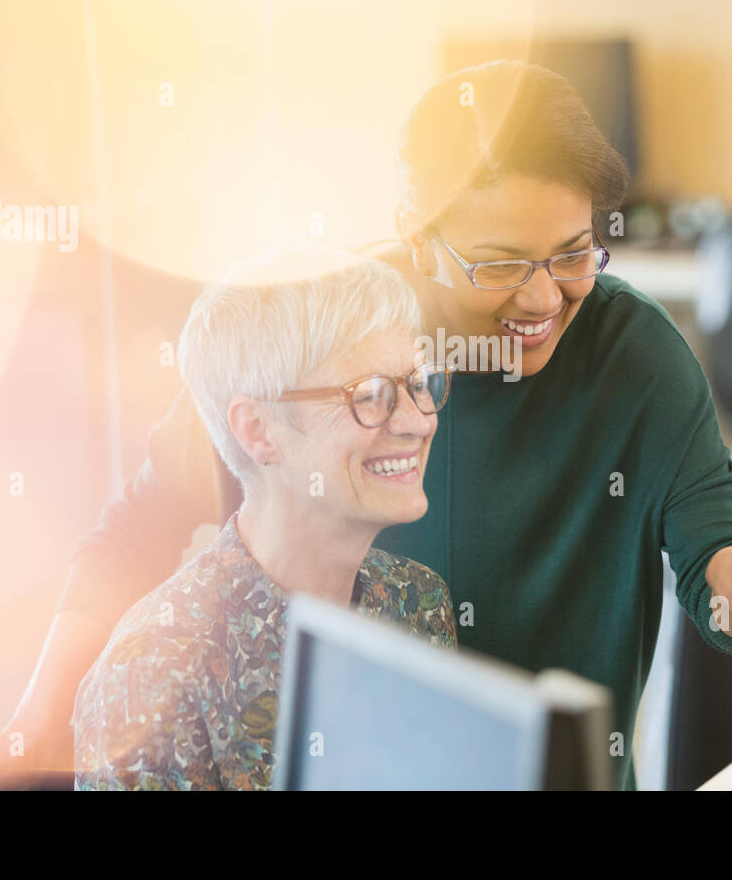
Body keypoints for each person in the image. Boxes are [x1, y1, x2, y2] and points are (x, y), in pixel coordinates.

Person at [0, 61, 732, 792]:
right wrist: (35, 729)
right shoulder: (317, 333)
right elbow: (138, 530)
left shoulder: (630, 350)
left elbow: (718, 576)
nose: (542, 298)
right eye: (497, 265)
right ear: (413, 229)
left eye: (572, 253)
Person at [74, 247, 456, 789]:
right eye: (372, 396)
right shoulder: (150, 674)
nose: (419, 422)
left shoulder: (420, 605)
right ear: (257, 430)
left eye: (419, 385)